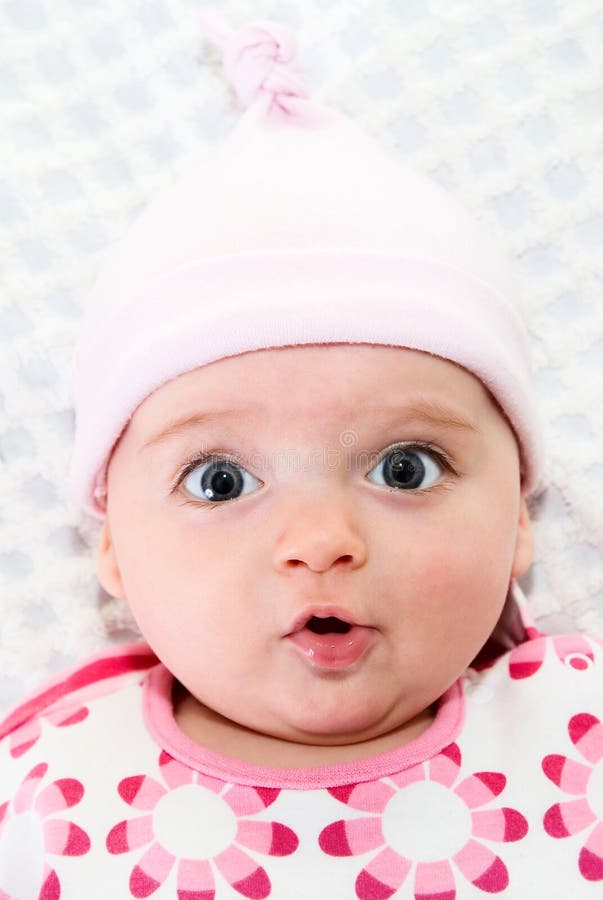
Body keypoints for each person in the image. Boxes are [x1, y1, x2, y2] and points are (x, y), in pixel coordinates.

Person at [0, 12, 601, 899]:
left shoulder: (575, 737)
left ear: (516, 516)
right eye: (221, 481)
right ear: (114, 551)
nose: (319, 540)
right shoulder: (49, 792)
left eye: (406, 469)